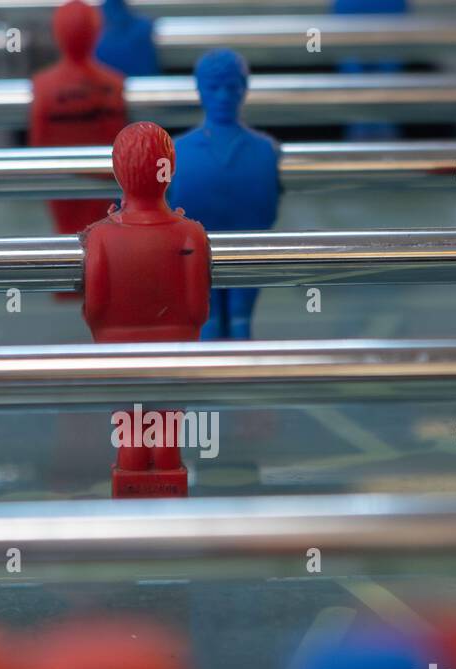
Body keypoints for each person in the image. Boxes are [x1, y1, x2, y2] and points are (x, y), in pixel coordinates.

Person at [83, 122, 210, 496]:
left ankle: (131, 481)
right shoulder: (191, 236)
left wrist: (108, 334)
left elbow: (95, 305)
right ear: (169, 171)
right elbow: (197, 307)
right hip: (175, 348)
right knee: (168, 425)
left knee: (131, 430)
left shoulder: (101, 237)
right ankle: (170, 480)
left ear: (118, 173)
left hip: (117, 350)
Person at [169, 49, 280, 340]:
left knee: (239, 317)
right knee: (210, 317)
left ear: (244, 89)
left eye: (231, 87)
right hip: (199, 253)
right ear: (200, 90)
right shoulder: (180, 149)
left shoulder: (263, 150)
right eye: (214, 87)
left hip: (247, 253)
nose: (222, 96)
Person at [30, 0, 127, 237]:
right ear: (96, 32)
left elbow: (38, 141)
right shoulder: (114, 84)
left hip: (61, 180)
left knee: (69, 234)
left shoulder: (43, 86)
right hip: (105, 180)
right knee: (102, 236)